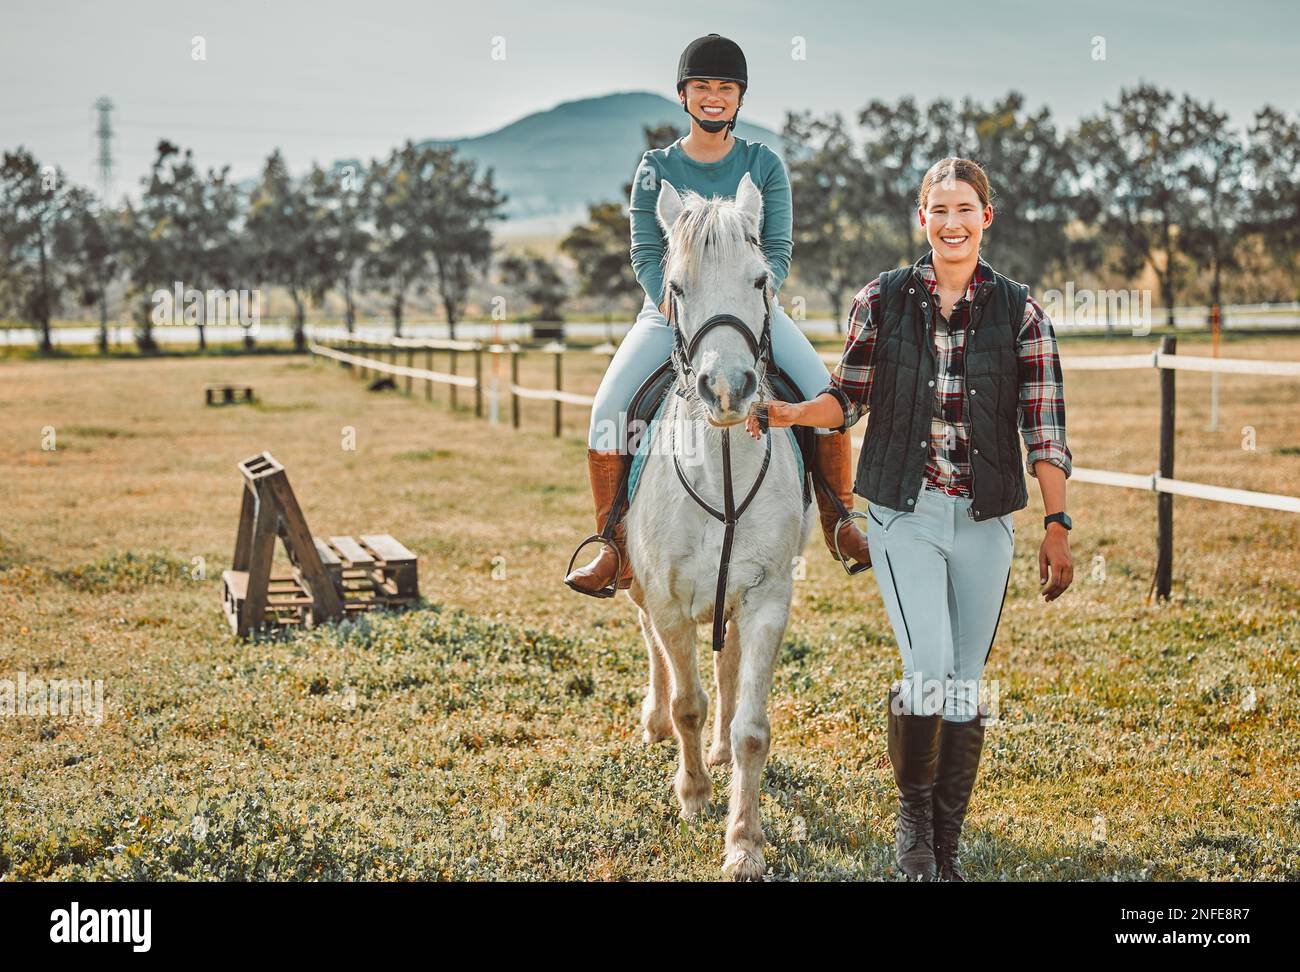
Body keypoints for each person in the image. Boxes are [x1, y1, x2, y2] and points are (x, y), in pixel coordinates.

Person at [746, 157, 1075, 879]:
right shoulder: (883, 300)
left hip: (985, 520)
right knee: (926, 670)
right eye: (939, 210)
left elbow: (1044, 429)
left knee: (962, 682)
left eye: (966, 210)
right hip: (905, 513)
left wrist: (1058, 524)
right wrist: (795, 413)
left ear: (987, 217)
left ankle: (946, 845)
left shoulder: (1021, 312)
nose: (952, 223)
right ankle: (914, 833)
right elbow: (849, 396)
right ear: (921, 219)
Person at [564, 33, 871, 598]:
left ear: (739, 98)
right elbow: (644, 252)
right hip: (671, 314)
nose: (713, 96)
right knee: (607, 411)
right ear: (683, 95)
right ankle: (614, 545)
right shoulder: (655, 167)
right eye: (702, 86)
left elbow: (777, 248)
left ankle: (841, 520)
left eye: (724, 88)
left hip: (753, 312)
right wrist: (672, 303)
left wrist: (751, 298)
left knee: (825, 400)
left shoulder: (764, 164)